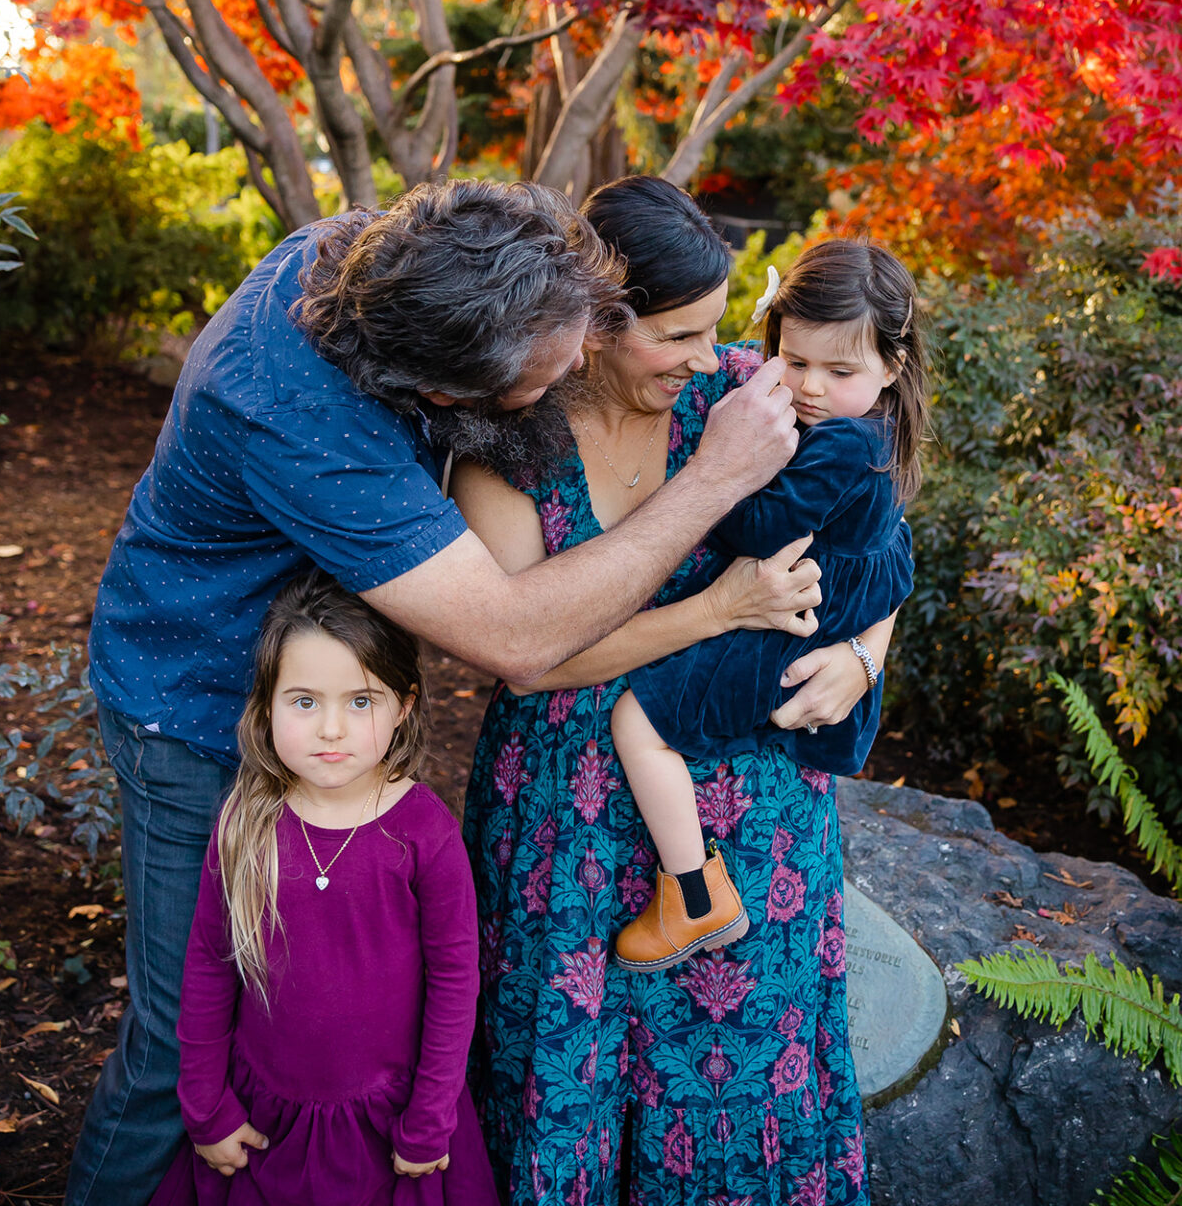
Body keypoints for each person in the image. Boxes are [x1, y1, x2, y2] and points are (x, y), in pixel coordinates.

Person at [68, 180, 801, 1206]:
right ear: (447, 397)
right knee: (176, 1042)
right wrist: (713, 481)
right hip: (196, 708)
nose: (574, 370)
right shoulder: (304, 420)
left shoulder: (382, 260)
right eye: (548, 375)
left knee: (318, 1015)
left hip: (335, 704)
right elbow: (514, 639)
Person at [454, 176, 894, 1206]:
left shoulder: (742, 394)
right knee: (566, 1089)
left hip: (752, 829)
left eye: (714, 332)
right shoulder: (505, 452)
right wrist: (718, 609)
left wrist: (863, 655)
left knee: (746, 1096)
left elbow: (879, 532)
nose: (712, 357)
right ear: (591, 326)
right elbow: (527, 655)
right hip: (564, 828)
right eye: (679, 335)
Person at [611, 239, 929, 971]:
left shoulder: (841, 446)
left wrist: (716, 478)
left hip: (795, 619)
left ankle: (693, 898)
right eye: (796, 359)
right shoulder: (873, 429)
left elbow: (757, 529)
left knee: (638, 723)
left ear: (892, 366)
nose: (810, 386)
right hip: (824, 613)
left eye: (839, 370)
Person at [149, 571, 498, 1206]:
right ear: (266, 704)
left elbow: (455, 982)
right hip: (264, 1123)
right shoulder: (245, 823)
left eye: (360, 701)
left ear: (404, 707)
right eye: (304, 701)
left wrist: (428, 1120)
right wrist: (206, 1106)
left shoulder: (424, 833)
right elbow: (208, 965)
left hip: (390, 1125)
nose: (330, 729)